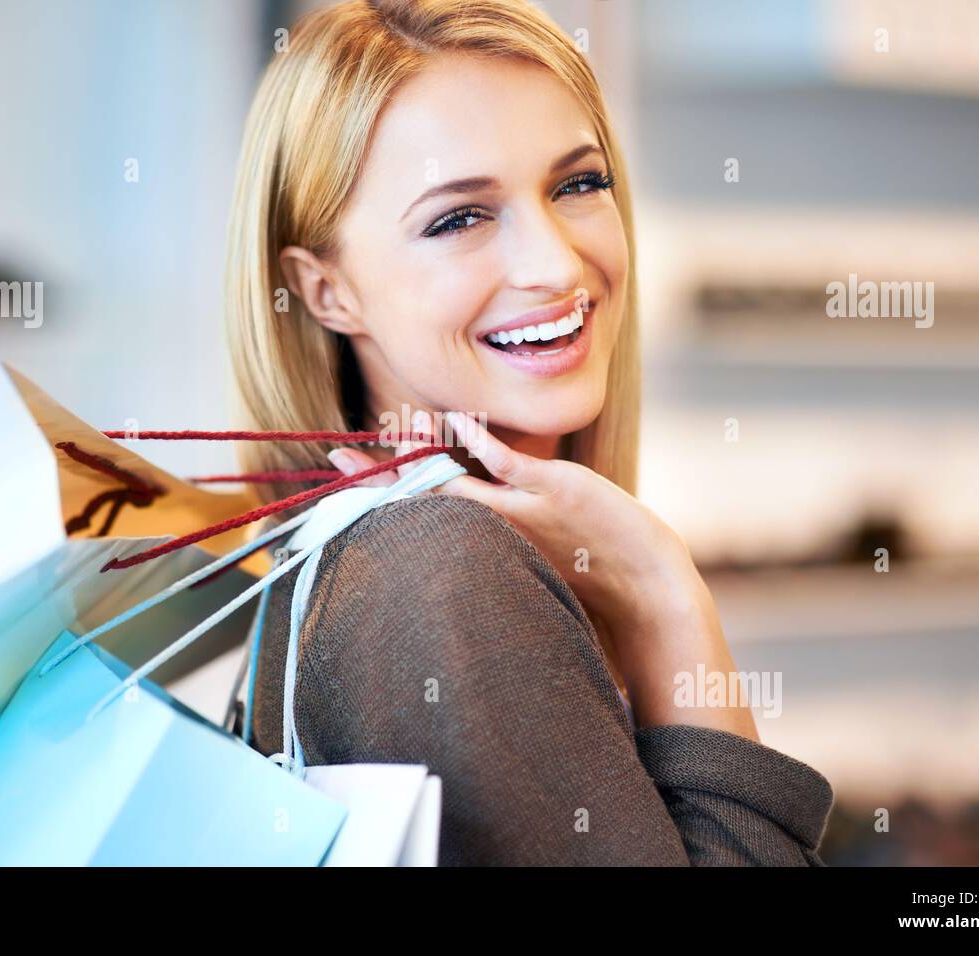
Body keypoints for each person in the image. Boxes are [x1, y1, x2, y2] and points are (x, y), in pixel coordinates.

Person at [224, 0, 834, 865]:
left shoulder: (400, 554)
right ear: (325, 291)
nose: (553, 265)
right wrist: (666, 603)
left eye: (578, 185)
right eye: (458, 218)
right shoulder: (434, 567)